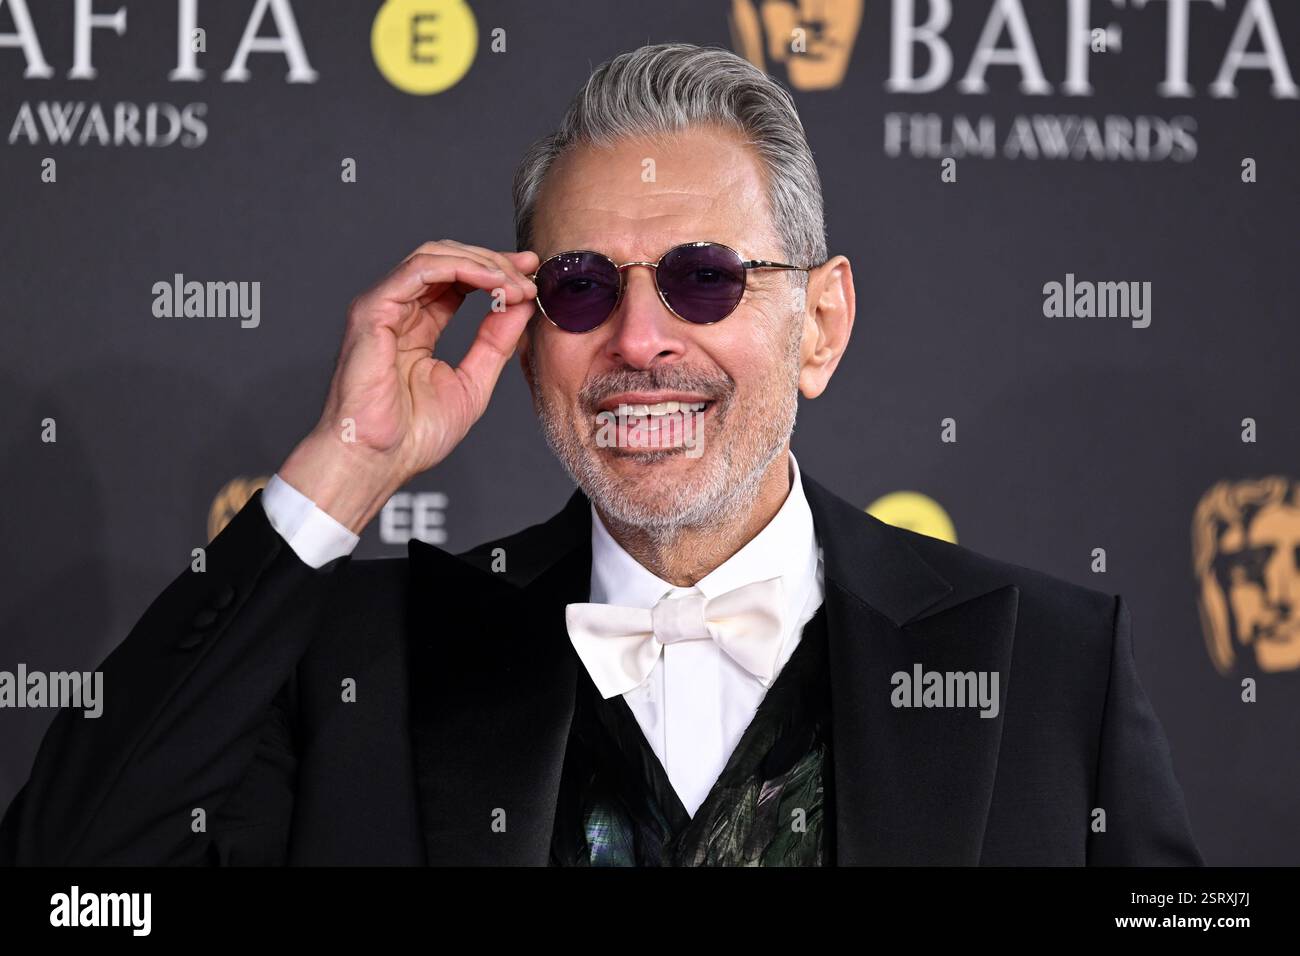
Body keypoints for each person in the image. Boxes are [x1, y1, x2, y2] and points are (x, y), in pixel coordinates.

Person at [0, 42, 1201, 866]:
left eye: (703, 277)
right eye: (580, 288)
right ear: (526, 343)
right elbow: (73, 864)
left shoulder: (1048, 666)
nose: (637, 338)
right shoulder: (370, 659)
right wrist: (344, 469)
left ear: (818, 321)